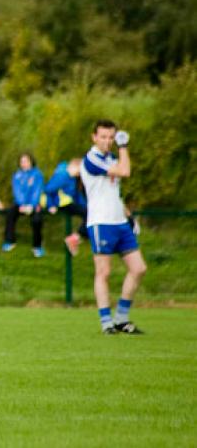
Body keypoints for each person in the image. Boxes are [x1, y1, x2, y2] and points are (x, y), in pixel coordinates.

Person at [80, 119, 146, 335]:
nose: (108, 141)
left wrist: (129, 217)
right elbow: (125, 171)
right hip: (101, 222)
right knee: (104, 272)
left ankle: (122, 318)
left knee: (138, 269)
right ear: (94, 137)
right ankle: (106, 321)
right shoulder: (92, 159)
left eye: (111, 137)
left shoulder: (111, 159)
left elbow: (114, 194)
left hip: (119, 222)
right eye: (104, 137)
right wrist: (124, 145)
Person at [2, 153, 45, 257]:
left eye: (26, 161)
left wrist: (32, 205)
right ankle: (10, 241)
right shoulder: (17, 175)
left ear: (31, 161)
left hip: (33, 204)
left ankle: (37, 246)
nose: (24, 163)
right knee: (10, 213)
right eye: (22, 161)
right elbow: (17, 191)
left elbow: (37, 190)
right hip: (20, 204)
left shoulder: (37, 174)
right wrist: (22, 205)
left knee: (37, 220)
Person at [43, 158, 88, 256]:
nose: (80, 174)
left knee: (90, 214)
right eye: (80, 170)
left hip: (68, 203)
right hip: (61, 204)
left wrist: (86, 206)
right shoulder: (62, 175)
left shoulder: (73, 179)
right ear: (74, 167)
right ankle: (75, 238)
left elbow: (76, 195)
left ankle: (75, 239)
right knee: (88, 214)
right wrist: (51, 205)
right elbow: (48, 190)